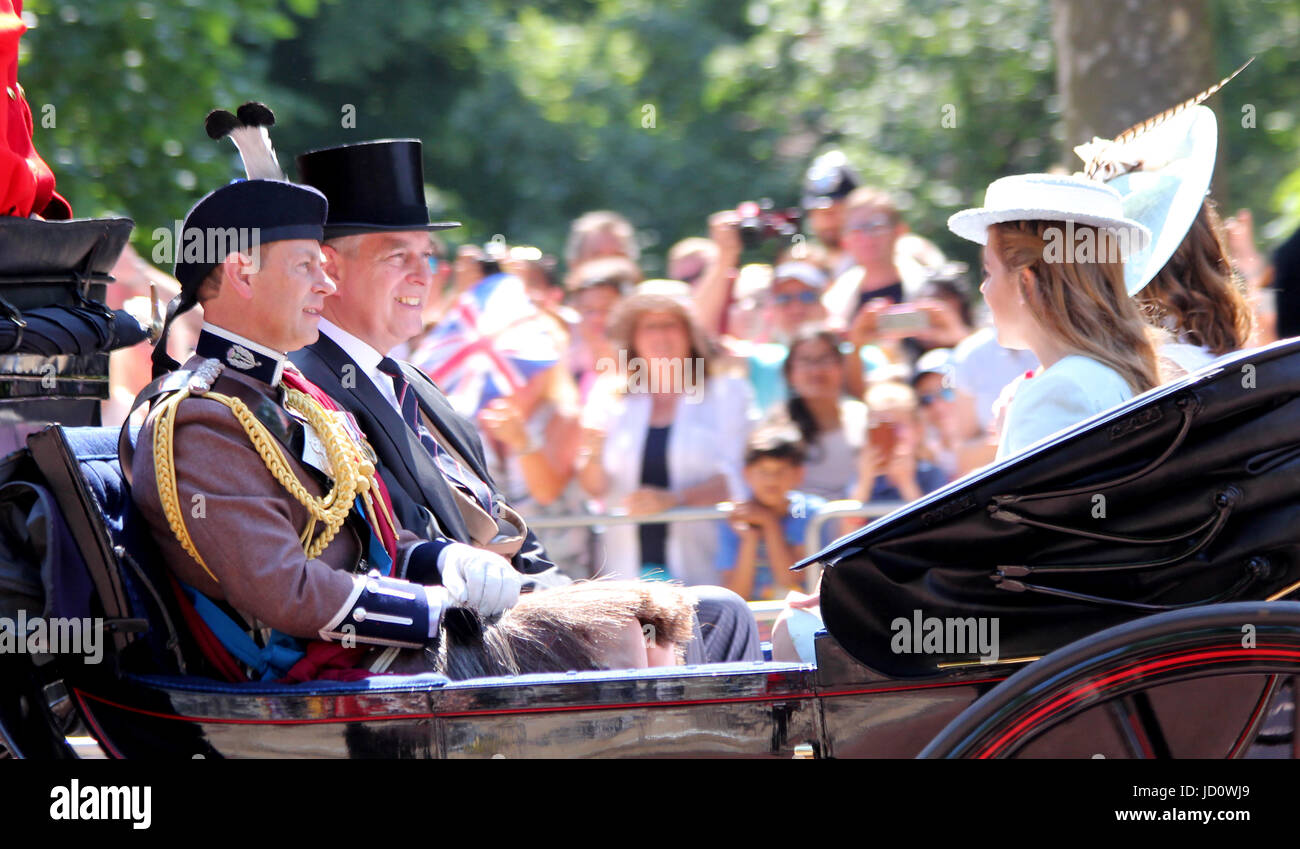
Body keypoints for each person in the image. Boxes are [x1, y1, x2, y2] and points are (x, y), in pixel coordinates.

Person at [129, 177, 693, 681]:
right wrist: (437, 606)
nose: (325, 287)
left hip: (379, 649)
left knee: (683, 618)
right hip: (321, 668)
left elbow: (372, 536)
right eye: (306, 266)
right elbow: (285, 590)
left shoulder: (291, 395)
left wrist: (442, 560)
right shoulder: (201, 417)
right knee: (623, 632)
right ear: (241, 274)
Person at [289, 141, 760, 665]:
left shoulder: (414, 384)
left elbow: (507, 527)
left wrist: (575, 597)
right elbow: (372, 550)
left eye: (427, 256)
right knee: (648, 634)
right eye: (398, 256)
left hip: (512, 615)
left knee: (718, 615)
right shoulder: (307, 388)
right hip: (439, 640)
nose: (424, 276)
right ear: (328, 266)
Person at [947, 173, 1161, 460]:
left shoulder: (1059, 392)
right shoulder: (1108, 374)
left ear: (1026, 282)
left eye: (989, 272)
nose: (983, 289)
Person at [577, 279, 758, 588]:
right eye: (649, 326)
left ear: (691, 333)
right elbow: (594, 489)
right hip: (625, 573)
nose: (660, 335)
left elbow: (743, 476)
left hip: (708, 568)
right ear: (633, 337)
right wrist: (592, 456)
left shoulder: (729, 392)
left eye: (670, 324)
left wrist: (676, 499)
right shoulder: (608, 396)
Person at [715, 426, 825, 601]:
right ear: (747, 474)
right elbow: (735, 595)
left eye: (781, 471)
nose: (771, 479)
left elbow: (791, 580)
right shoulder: (734, 517)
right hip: (755, 623)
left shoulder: (808, 511)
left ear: (799, 473)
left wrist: (770, 524)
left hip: (797, 620)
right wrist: (750, 539)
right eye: (763, 471)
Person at [763, 328, 869, 500]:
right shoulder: (773, 427)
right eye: (805, 361)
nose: (815, 370)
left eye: (824, 360)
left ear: (841, 366)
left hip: (860, 521)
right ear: (790, 373)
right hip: (801, 520)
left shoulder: (864, 417)